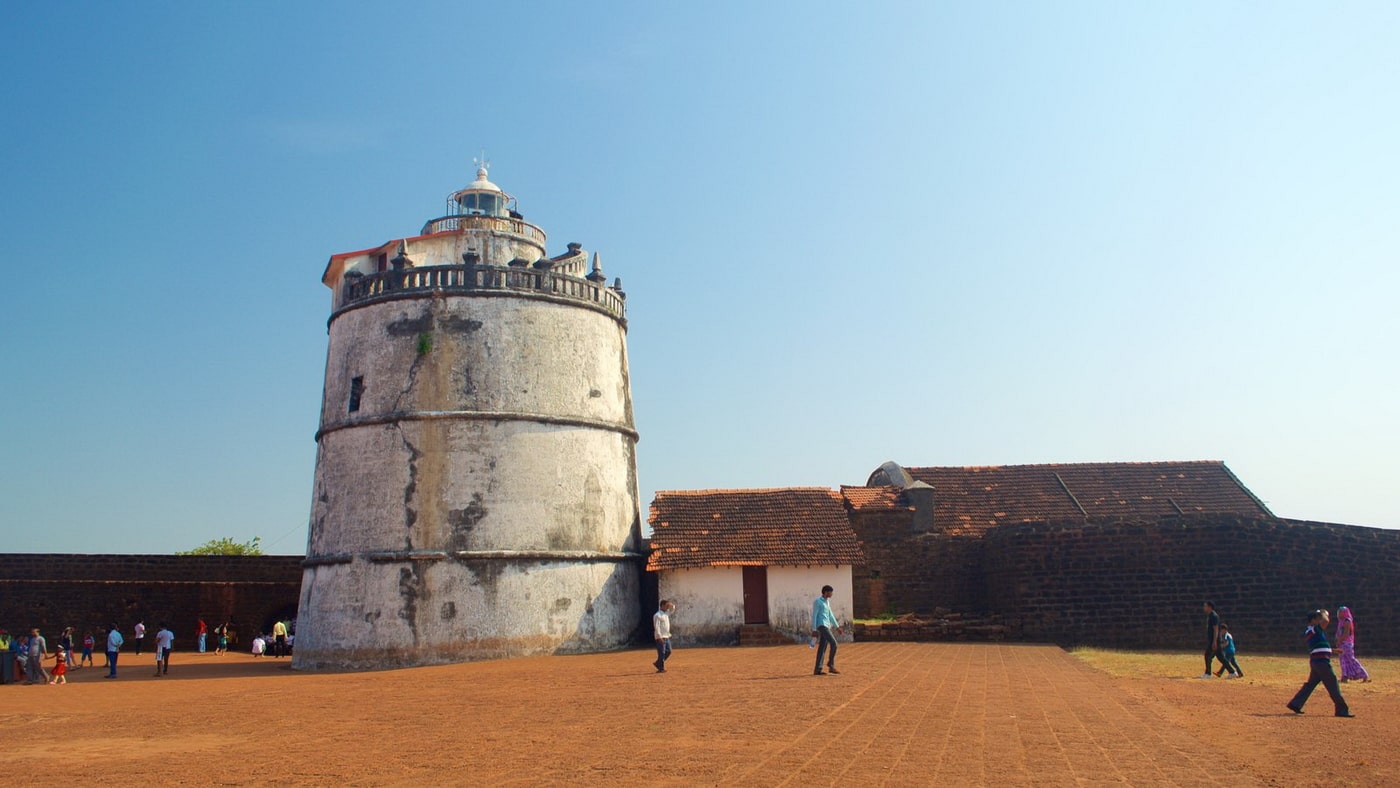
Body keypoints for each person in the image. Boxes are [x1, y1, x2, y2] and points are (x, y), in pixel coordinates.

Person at [1287, 609, 1353, 717]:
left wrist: (1333, 650)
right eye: (1318, 618)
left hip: (1316, 662)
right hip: (1321, 662)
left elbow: (1319, 647)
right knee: (1333, 684)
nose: (1320, 620)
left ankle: (1295, 704)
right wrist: (1323, 612)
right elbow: (1326, 621)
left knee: (1310, 685)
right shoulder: (1314, 629)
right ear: (1313, 620)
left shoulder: (1312, 631)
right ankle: (1341, 710)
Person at [811, 585, 842, 676]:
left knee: (822, 648)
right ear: (825, 592)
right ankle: (830, 665)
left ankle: (817, 669)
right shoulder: (818, 602)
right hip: (822, 625)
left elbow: (830, 615)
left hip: (827, 625)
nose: (831, 594)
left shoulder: (827, 602)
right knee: (834, 643)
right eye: (830, 592)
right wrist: (814, 629)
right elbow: (814, 616)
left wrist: (837, 627)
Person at [1335, 606, 1371, 683]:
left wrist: (1339, 641)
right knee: (1343, 660)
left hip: (1346, 644)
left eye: (1340, 612)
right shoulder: (1341, 621)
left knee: (1350, 659)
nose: (1338, 614)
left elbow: (1346, 634)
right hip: (1342, 643)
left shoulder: (1347, 621)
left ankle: (1364, 675)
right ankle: (1345, 676)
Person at [1199, 601, 1222, 679]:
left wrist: (1214, 641)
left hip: (1214, 640)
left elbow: (1216, 629)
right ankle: (1232, 672)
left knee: (1207, 655)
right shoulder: (1210, 616)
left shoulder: (1214, 616)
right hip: (1213, 640)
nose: (1204, 608)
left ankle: (1208, 673)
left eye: (1205, 606)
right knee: (1221, 657)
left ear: (1209, 607)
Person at [652, 600, 675, 673]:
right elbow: (657, 627)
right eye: (666, 606)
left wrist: (671, 605)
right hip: (661, 637)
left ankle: (658, 663)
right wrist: (659, 636)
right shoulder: (657, 615)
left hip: (666, 636)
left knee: (669, 651)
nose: (667, 607)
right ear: (661, 606)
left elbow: (672, 610)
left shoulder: (666, 614)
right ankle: (661, 668)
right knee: (661, 653)